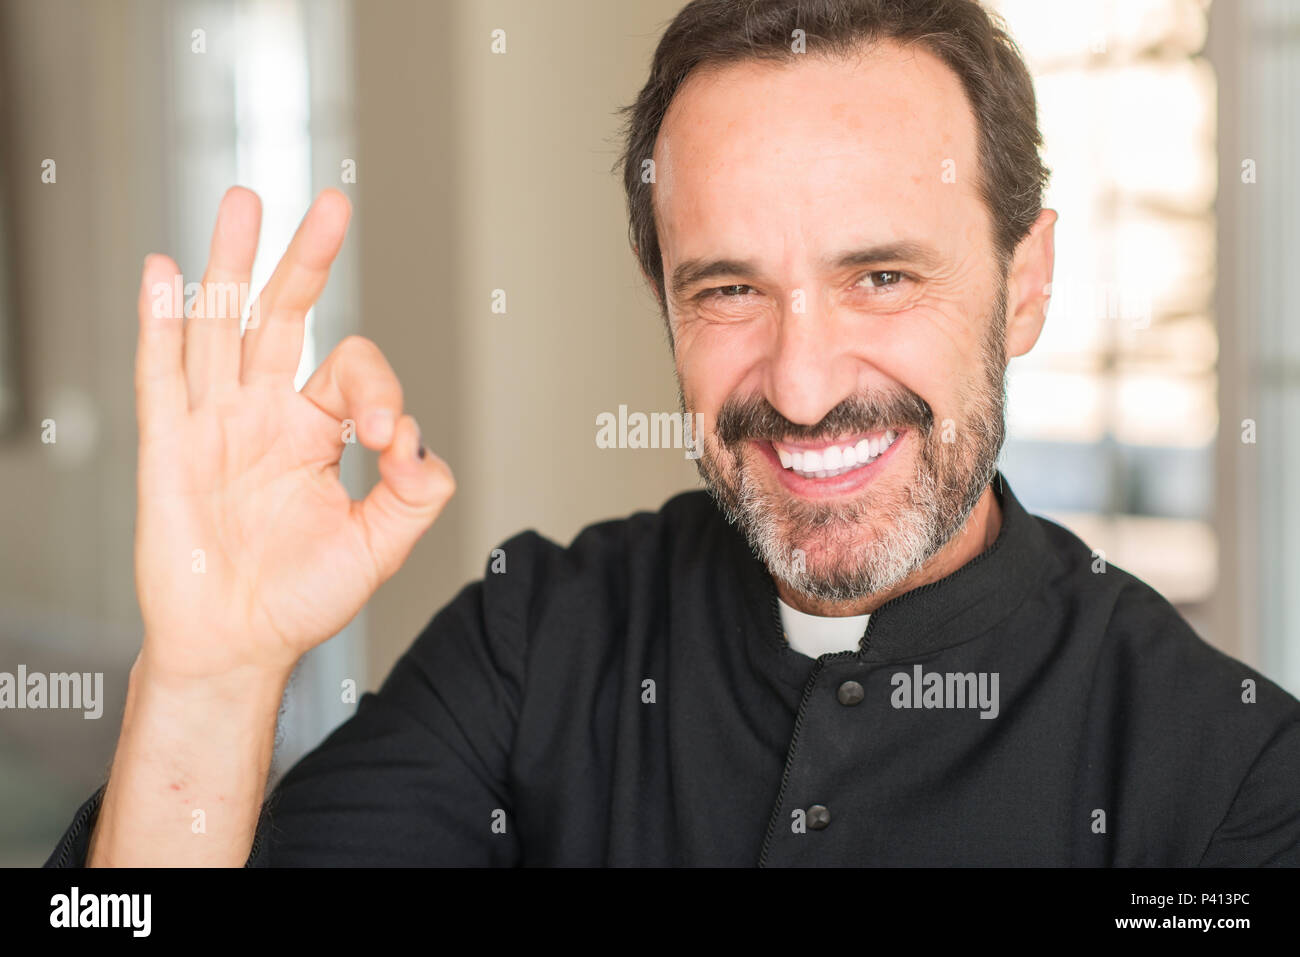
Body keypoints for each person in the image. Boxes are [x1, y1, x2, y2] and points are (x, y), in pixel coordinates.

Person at [47, 0, 1300, 867]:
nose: (802, 389)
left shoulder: (1229, 775)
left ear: (1024, 285)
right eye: (729, 289)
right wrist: (210, 682)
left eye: (880, 278)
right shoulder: (531, 639)